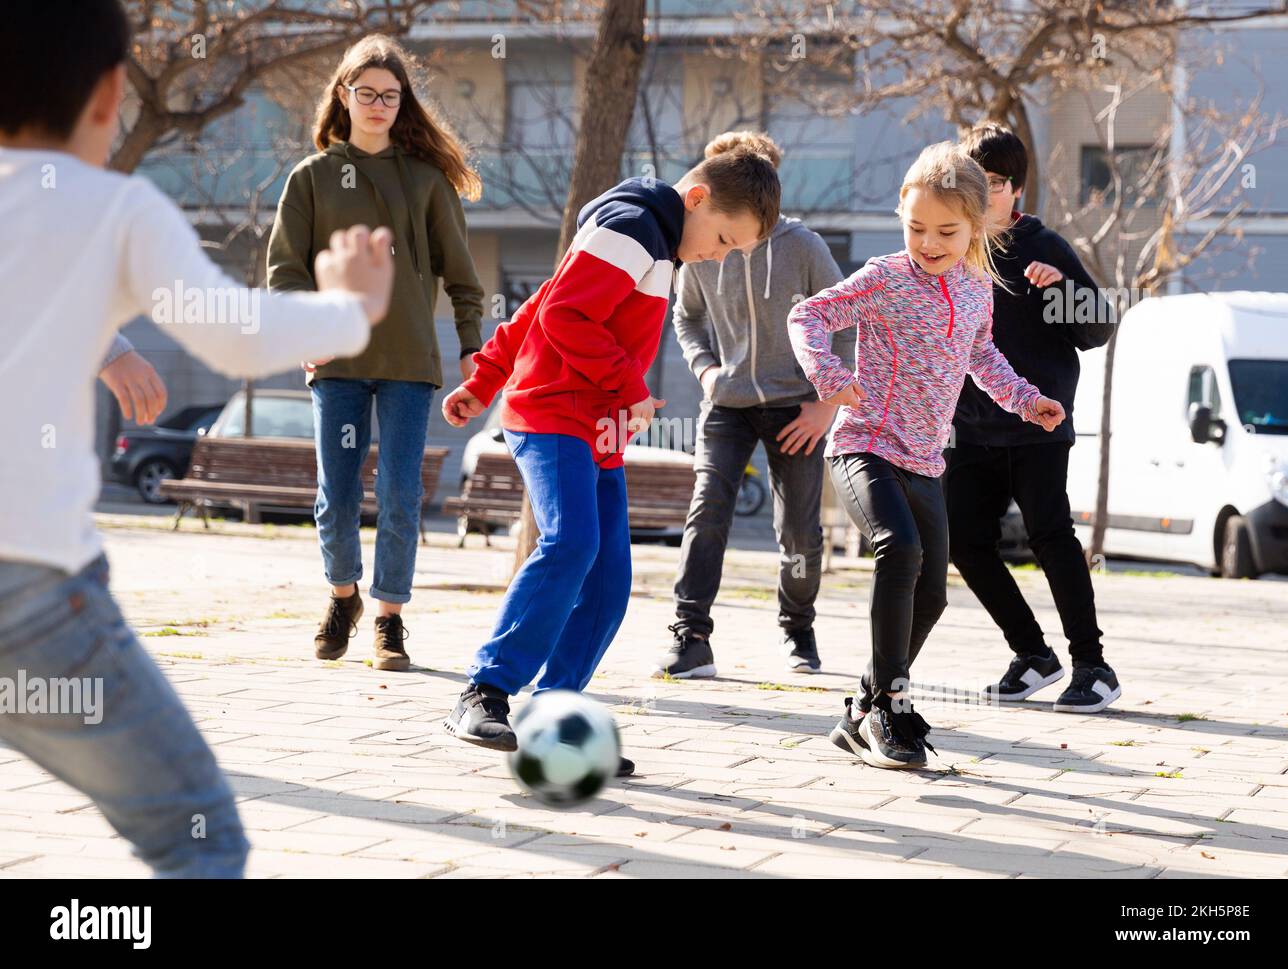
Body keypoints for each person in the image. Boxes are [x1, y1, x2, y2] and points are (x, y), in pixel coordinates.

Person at [0, 0, 395, 875]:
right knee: (195, 831)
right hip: (30, 598)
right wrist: (352, 306)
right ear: (111, 94)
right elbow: (234, 333)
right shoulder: (114, 209)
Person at [440, 144, 782, 775]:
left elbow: (542, 302)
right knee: (571, 545)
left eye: (736, 251)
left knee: (607, 582)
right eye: (725, 239)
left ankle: (552, 721)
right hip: (549, 416)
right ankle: (483, 690)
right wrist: (628, 387)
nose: (720, 255)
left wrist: (484, 376)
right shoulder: (632, 231)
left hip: (595, 430)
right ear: (698, 199)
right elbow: (566, 315)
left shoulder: (653, 241)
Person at [788, 142, 1066, 770]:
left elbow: (982, 357)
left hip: (926, 459)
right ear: (901, 218)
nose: (930, 242)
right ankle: (890, 703)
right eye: (916, 228)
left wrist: (1025, 401)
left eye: (946, 230)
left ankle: (860, 708)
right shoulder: (886, 277)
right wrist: (829, 373)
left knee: (934, 595)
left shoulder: (975, 289)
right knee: (900, 549)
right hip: (865, 445)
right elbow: (808, 315)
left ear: (975, 226)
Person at [268, 36, 484, 673]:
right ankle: (343, 597)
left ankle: (389, 619)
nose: (379, 105)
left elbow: (463, 276)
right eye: (367, 93)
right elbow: (285, 271)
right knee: (336, 493)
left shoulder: (425, 181)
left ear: (401, 103)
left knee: (399, 494)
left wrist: (473, 346)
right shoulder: (310, 179)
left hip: (410, 364)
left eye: (391, 96)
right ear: (344, 95)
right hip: (336, 363)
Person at [658, 130, 851, 679]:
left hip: (798, 405)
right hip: (729, 402)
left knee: (798, 530)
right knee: (707, 507)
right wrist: (705, 369)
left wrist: (826, 403)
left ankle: (798, 627)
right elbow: (686, 316)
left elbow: (844, 323)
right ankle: (690, 634)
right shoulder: (699, 246)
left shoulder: (805, 247)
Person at [949, 122, 1121, 713]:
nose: (987, 193)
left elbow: (1097, 329)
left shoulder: (1043, 244)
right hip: (970, 426)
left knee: (1051, 536)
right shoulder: (953, 245)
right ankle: (1033, 654)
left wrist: (1064, 285)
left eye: (997, 184)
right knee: (965, 542)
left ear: (1016, 189)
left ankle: (1093, 668)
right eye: (975, 182)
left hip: (1039, 421)